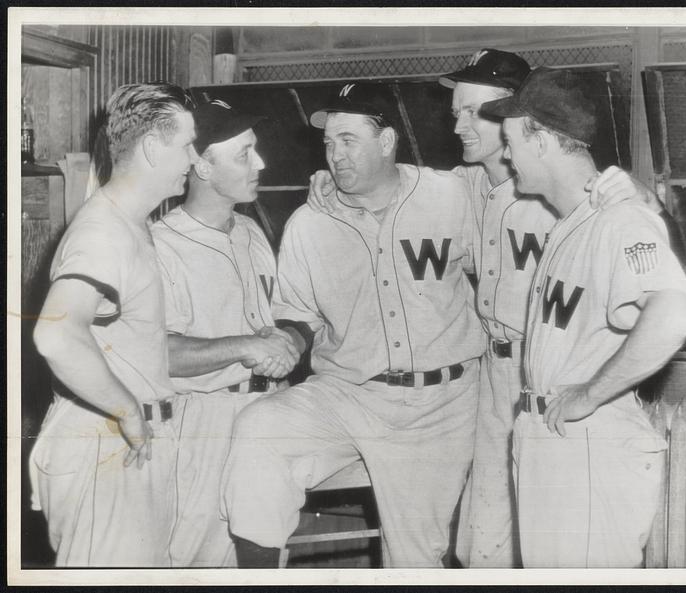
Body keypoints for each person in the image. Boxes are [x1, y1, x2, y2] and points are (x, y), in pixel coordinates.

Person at [307, 49, 674, 568]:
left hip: (558, 373)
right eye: (456, 111)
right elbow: (396, 182)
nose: (458, 125)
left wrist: (648, 200)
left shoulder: (571, 191)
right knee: (485, 542)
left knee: (565, 544)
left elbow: (659, 272)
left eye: (473, 112)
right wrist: (334, 179)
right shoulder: (469, 185)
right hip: (494, 376)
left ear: (517, 116)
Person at [222, 82, 486, 568]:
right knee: (260, 429)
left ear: (386, 142)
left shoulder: (452, 194)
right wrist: (287, 340)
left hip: (441, 404)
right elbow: (298, 312)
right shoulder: (309, 222)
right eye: (329, 143)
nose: (335, 155)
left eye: (348, 140)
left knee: (414, 560)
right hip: (349, 394)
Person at [481, 66, 686, 567]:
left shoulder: (617, 219)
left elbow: (675, 312)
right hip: (553, 439)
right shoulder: (571, 224)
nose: (506, 155)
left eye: (511, 141)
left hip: (587, 444)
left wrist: (590, 393)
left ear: (542, 140)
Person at [30, 82, 196, 566]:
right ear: (152, 148)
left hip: (122, 445)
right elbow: (55, 334)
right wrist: (127, 411)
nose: (193, 159)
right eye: (187, 144)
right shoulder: (103, 231)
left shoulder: (128, 222)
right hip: (104, 446)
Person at [150, 99, 301, 567]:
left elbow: (271, 320)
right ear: (201, 166)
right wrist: (247, 346)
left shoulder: (250, 230)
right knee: (193, 563)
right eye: (243, 154)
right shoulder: (160, 245)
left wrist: (283, 342)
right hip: (204, 425)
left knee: (263, 561)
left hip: (268, 414)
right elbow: (158, 354)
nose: (261, 163)